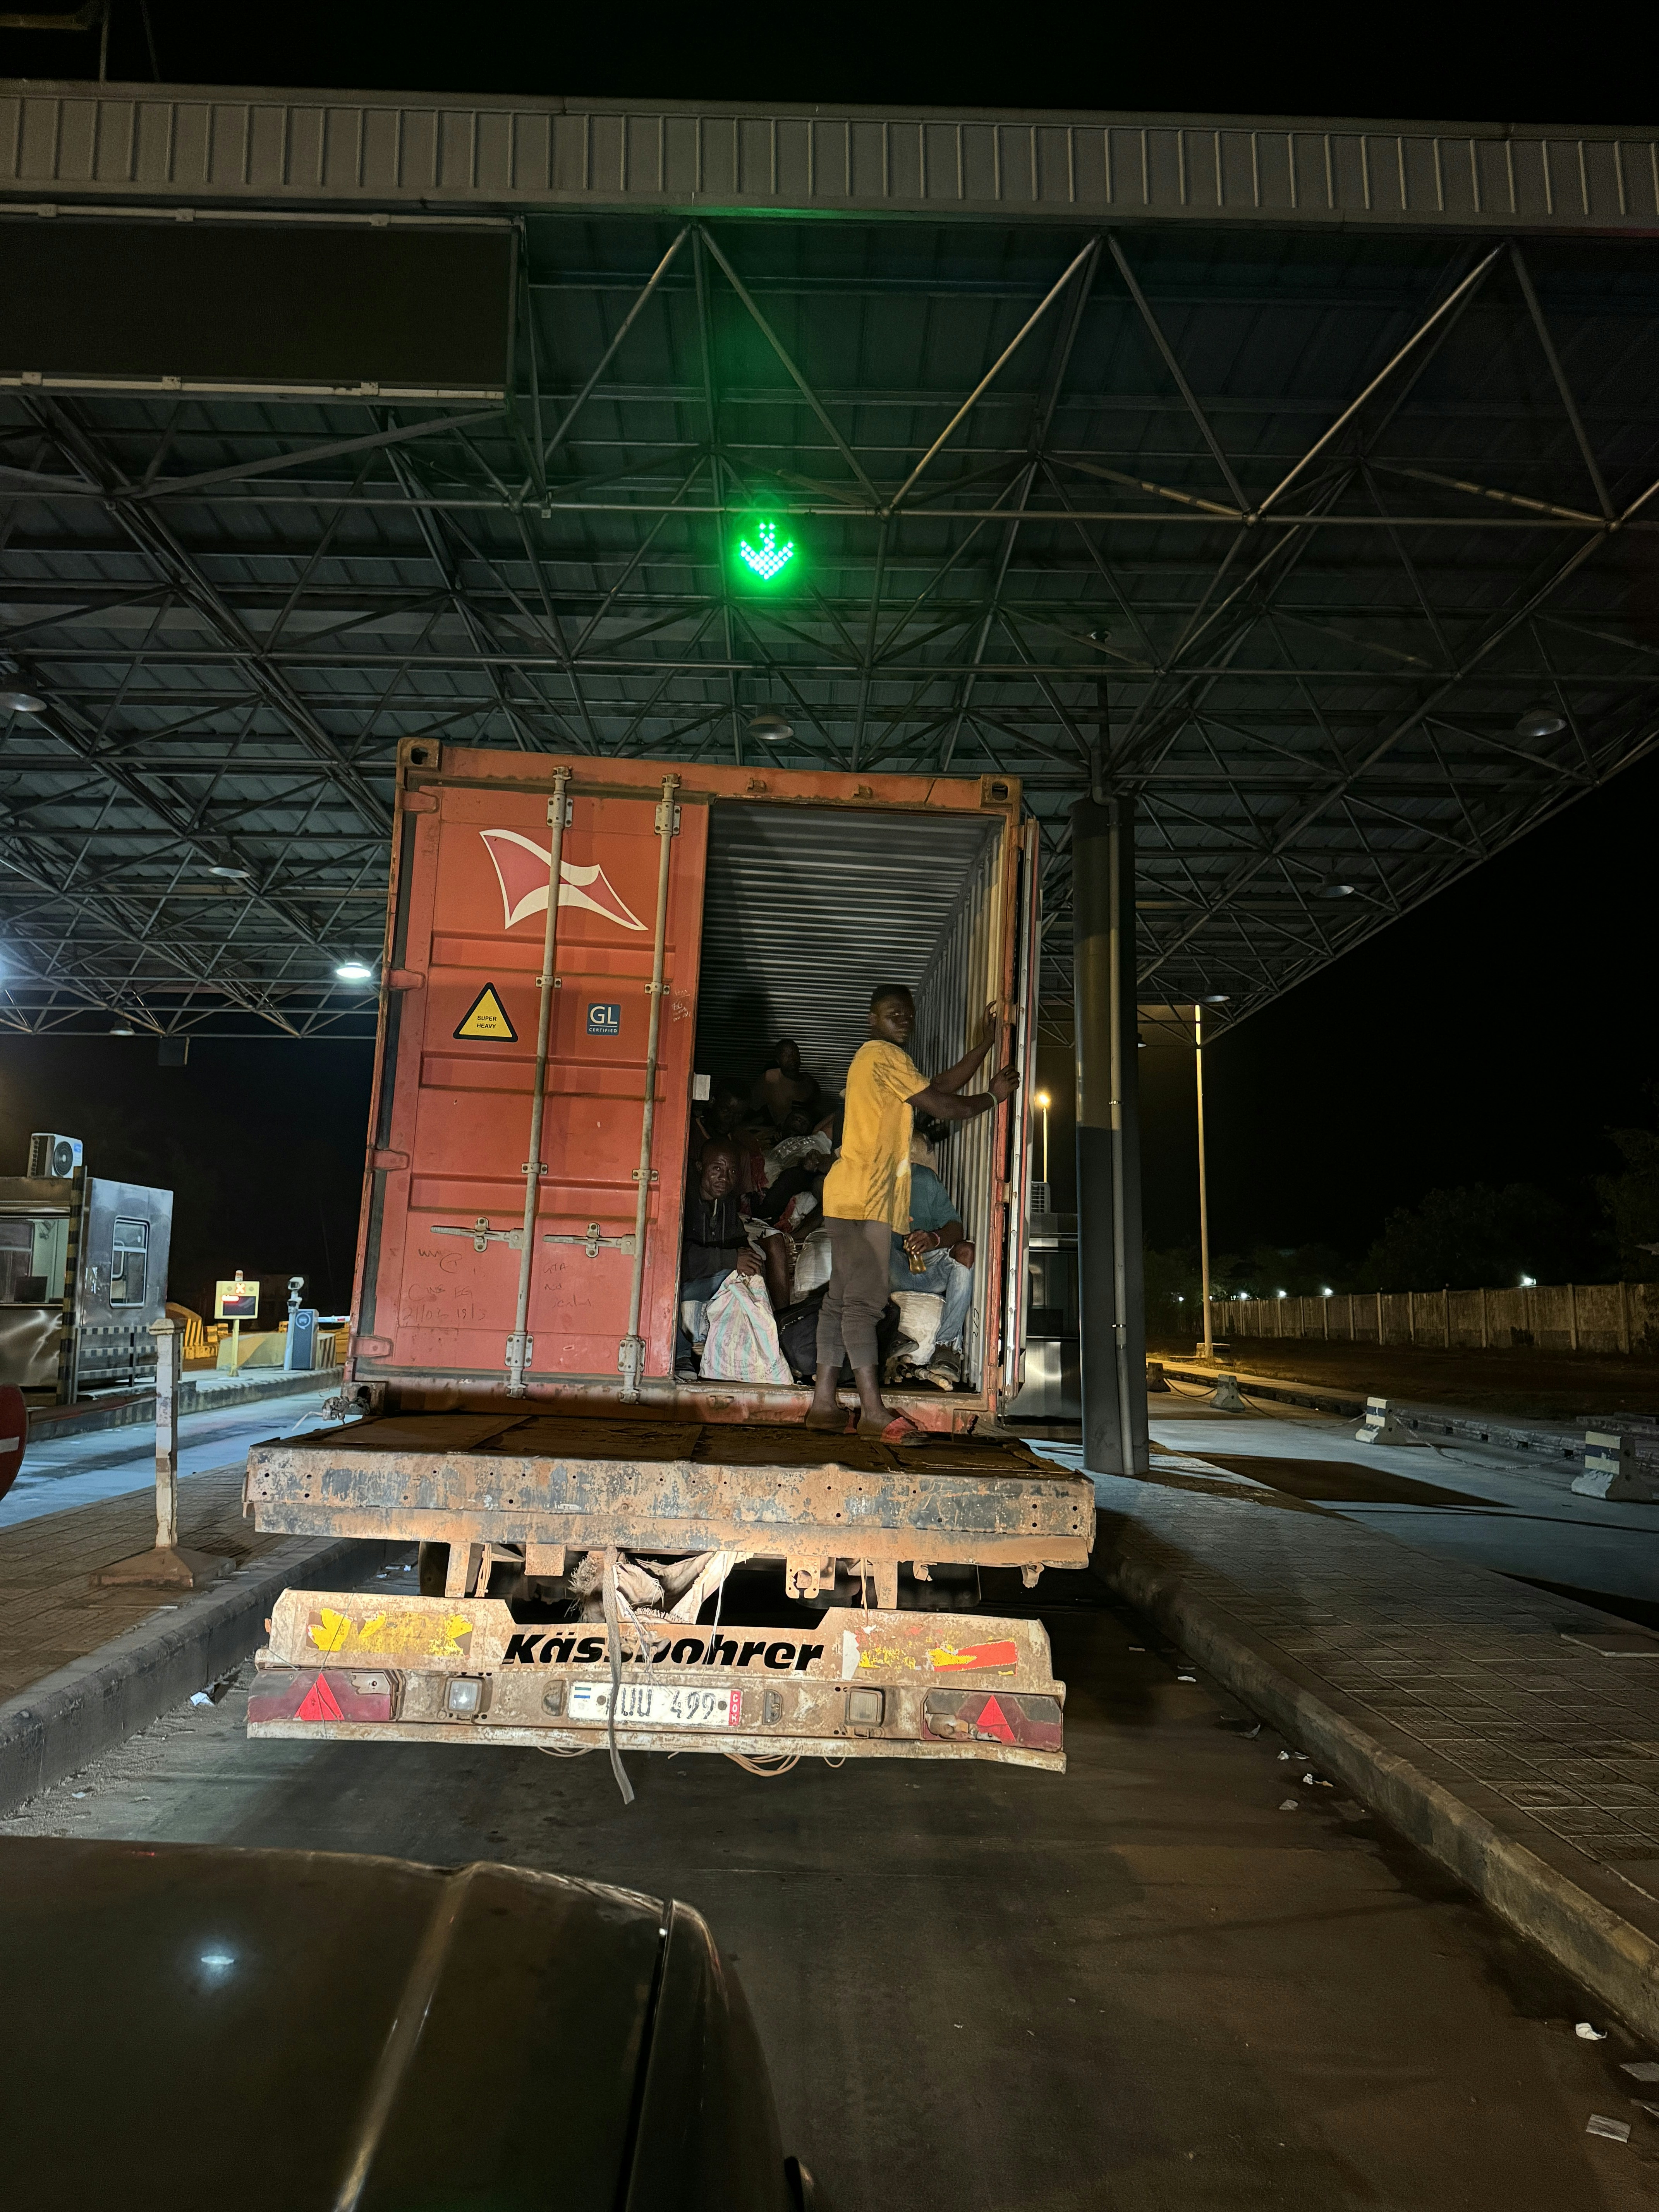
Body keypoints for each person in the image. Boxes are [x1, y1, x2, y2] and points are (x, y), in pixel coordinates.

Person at [806, 985, 1018, 1443]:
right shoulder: (881, 1054)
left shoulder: (882, 1062)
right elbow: (944, 1106)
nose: (903, 1020)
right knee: (863, 1304)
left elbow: (937, 1087)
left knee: (840, 1302)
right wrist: (995, 1098)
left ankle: (823, 1406)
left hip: (849, 1195)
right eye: (891, 1013)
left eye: (907, 1014)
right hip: (867, 1198)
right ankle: (873, 1412)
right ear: (872, 1019)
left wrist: (983, 1045)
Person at [677, 1138, 771, 1377]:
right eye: (716, 1169)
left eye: (731, 1172)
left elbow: (738, 1240)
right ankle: (680, 1358)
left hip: (707, 1281)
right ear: (700, 1168)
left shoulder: (726, 1203)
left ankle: (756, 1354)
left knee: (754, 1271)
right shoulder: (680, 1200)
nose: (724, 1178)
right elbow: (676, 1259)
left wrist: (749, 1260)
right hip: (680, 1283)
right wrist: (731, 1260)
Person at [891, 1125, 975, 1388]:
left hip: (929, 1267)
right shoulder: (868, 1183)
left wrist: (933, 1239)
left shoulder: (924, 1179)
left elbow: (955, 1228)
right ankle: (886, 1334)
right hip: (891, 1267)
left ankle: (946, 1347)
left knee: (966, 1251)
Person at [753, 1038, 821, 1129]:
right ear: (778, 1060)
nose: (792, 1058)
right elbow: (755, 1110)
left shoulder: (810, 1083)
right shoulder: (769, 1078)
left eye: (794, 1053)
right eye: (786, 1055)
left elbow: (815, 1114)